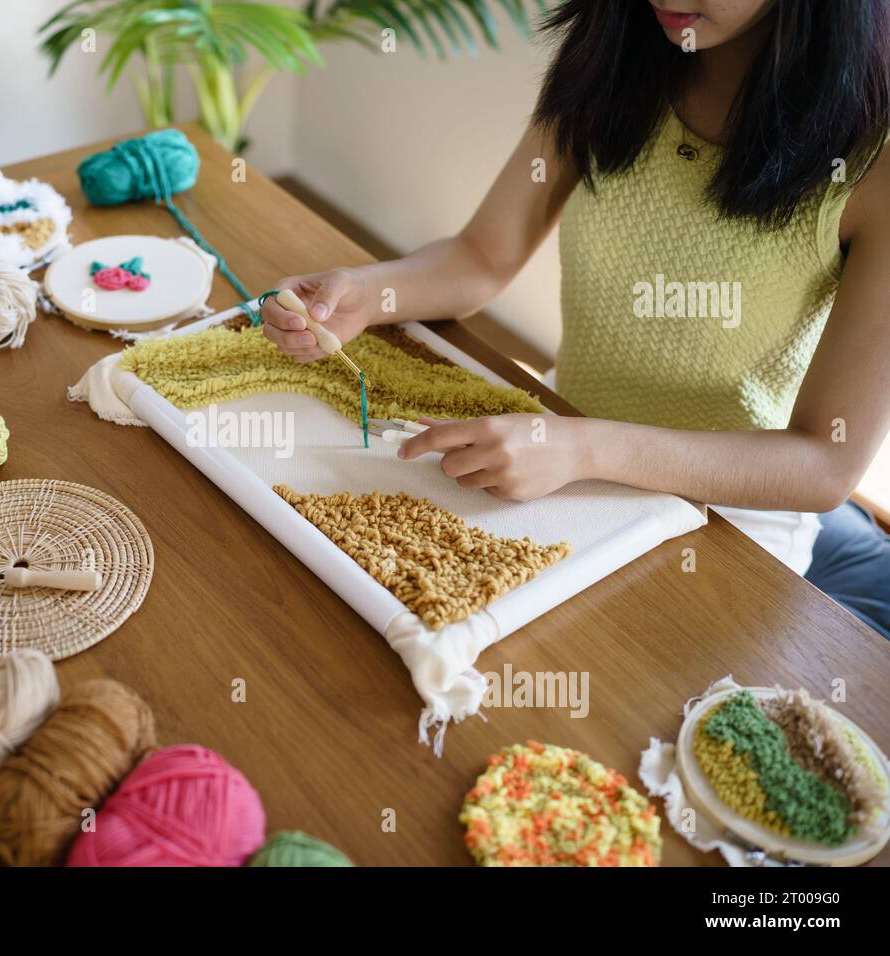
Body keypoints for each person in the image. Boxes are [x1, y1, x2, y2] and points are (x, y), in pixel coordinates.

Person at [261, 0, 890, 638]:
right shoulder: (616, 51)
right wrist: (366, 294)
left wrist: (585, 447)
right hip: (558, 446)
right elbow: (484, 255)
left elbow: (826, 462)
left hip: (729, 517)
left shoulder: (876, 157)